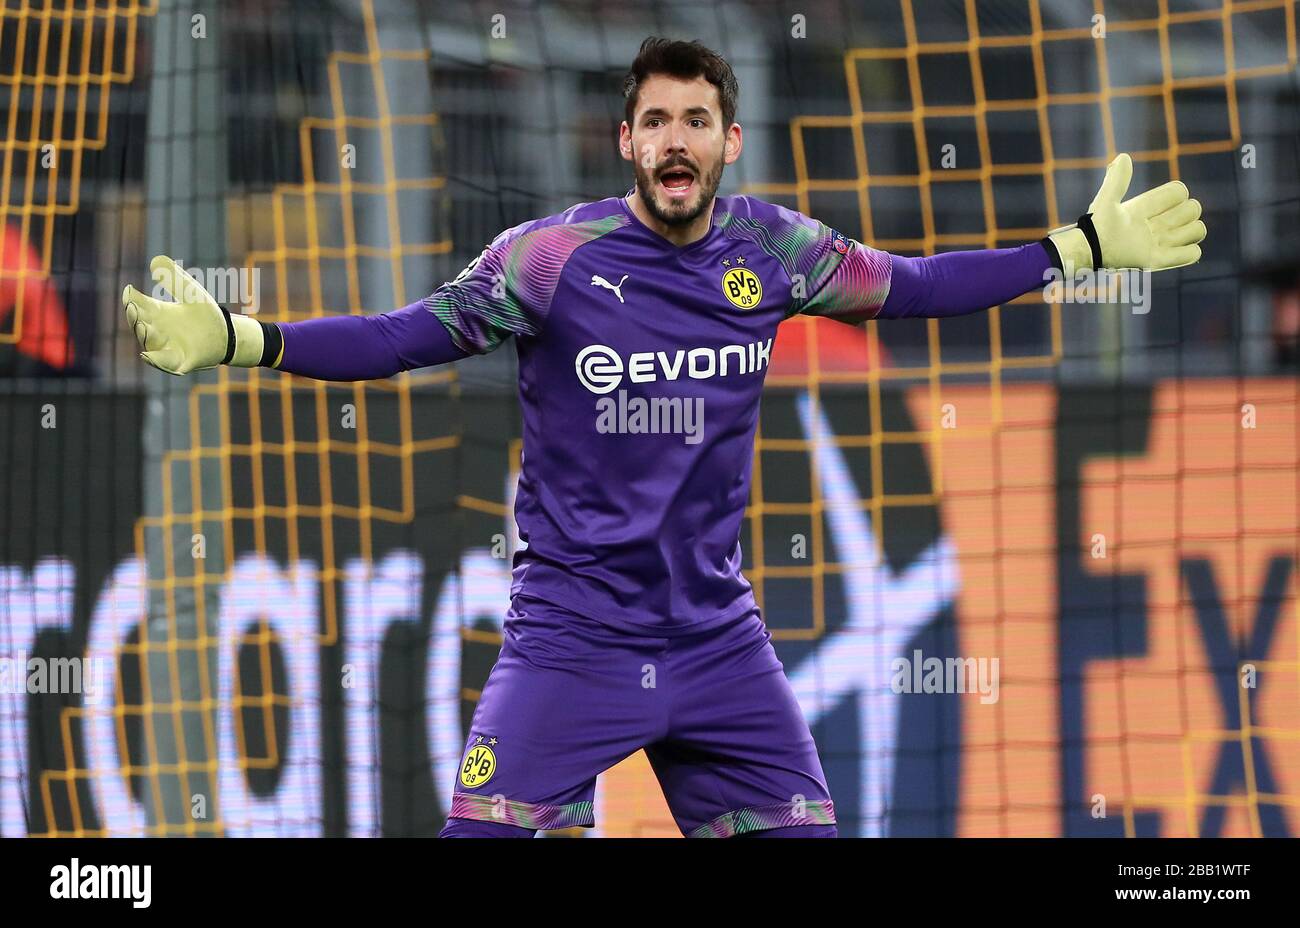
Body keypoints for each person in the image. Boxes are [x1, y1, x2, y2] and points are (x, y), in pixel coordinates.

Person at [121, 37, 1206, 838]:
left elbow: (917, 286)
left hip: (717, 646)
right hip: (569, 645)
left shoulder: (776, 250)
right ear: (627, 143)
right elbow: (403, 336)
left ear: (728, 140)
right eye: (655, 122)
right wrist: (238, 335)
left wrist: (1078, 244)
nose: (674, 140)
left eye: (696, 120)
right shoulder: (549, 260)